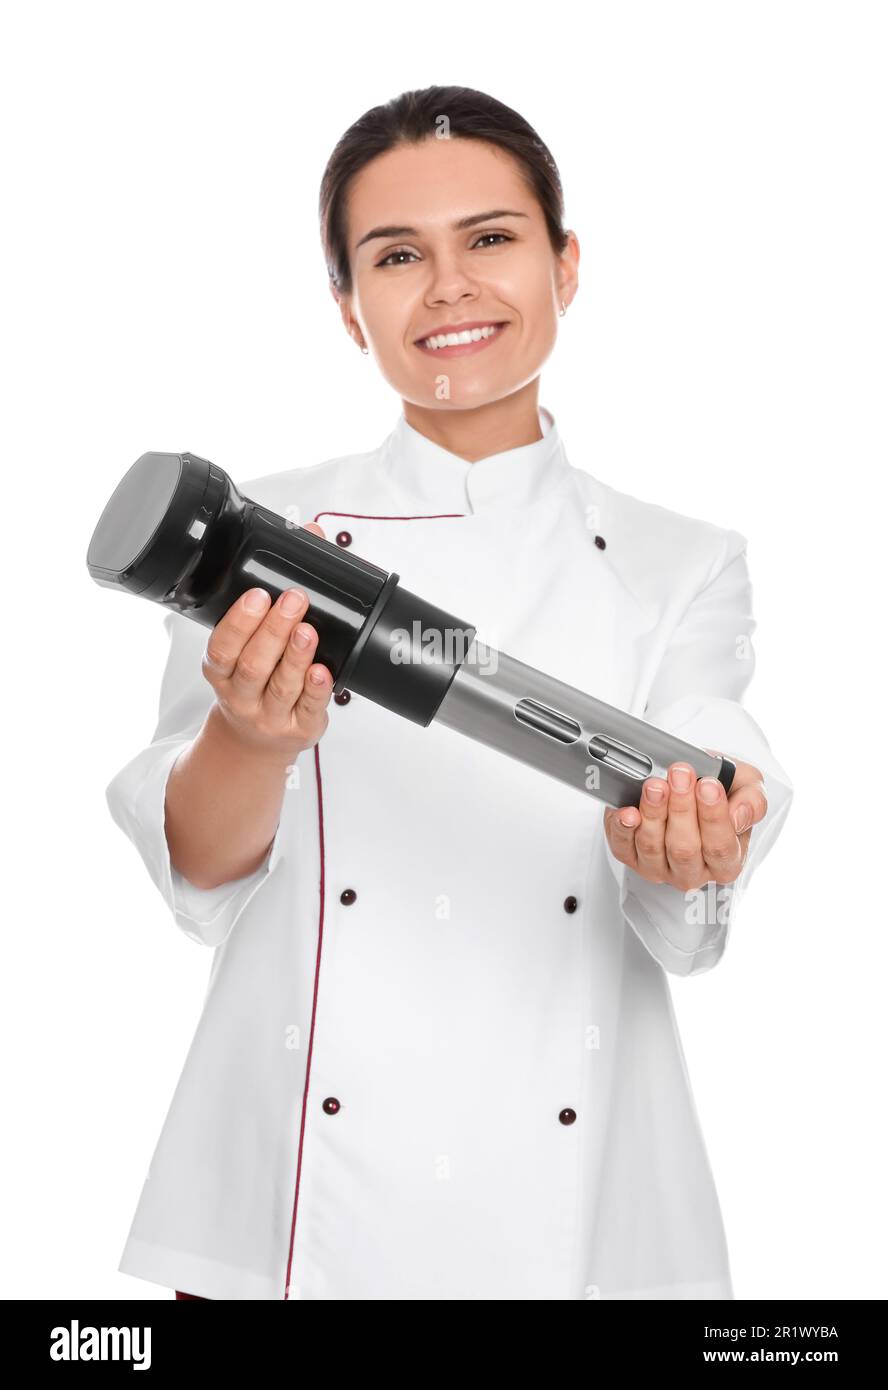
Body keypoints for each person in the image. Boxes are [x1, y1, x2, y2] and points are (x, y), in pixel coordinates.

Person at [106, 85, 793, 1302]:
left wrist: (700, 846)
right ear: (345, 305)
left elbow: (707, 783)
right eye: (396, 255)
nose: (449, 287)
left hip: (577, 1227)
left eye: (491, 239)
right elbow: (202, 872)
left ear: (565, 263)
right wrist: (249, 737)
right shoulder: (276, 536)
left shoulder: (680, 559)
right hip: (284, 1218)